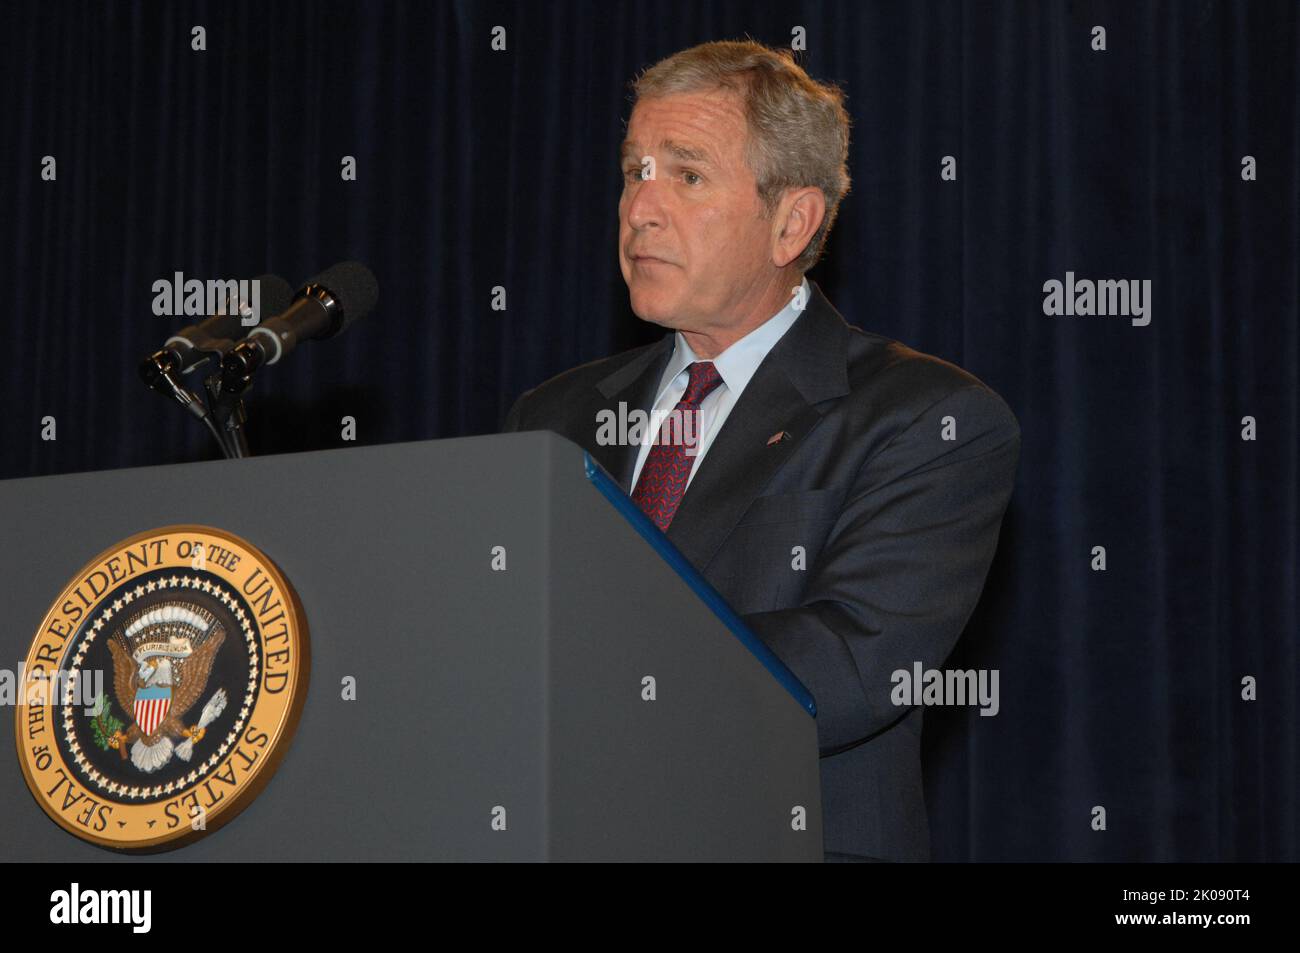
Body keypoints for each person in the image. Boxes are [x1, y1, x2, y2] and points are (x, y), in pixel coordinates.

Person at [502, 39, 1020, 862]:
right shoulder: (554, 414)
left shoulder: (926, 417)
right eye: (634, 170)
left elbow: (850, 663)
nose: (641, 207)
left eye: (688, 174)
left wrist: (588, 681)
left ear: (792, 222)